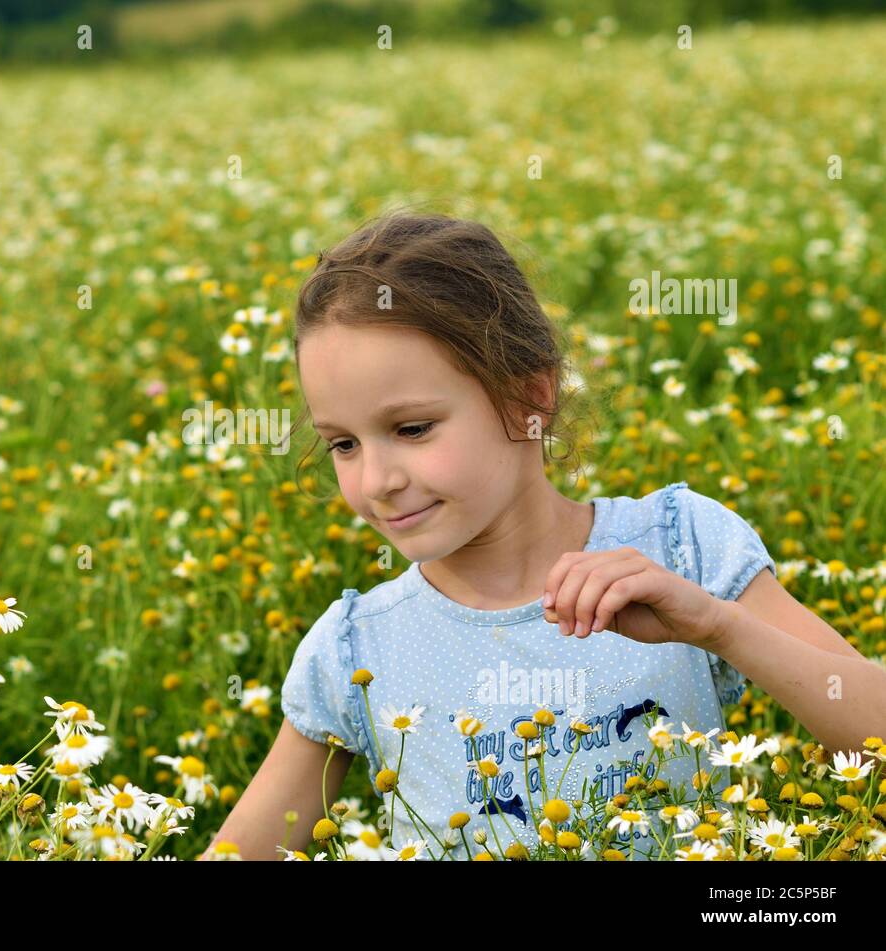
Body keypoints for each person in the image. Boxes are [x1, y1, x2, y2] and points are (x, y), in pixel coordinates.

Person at [199, 211, 884, 861]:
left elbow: (876, 744)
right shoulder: (356, 647)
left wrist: (719, 627)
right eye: (342, 444)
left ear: (529, 398)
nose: (376, 479)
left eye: (411, 429)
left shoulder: (679, 545)